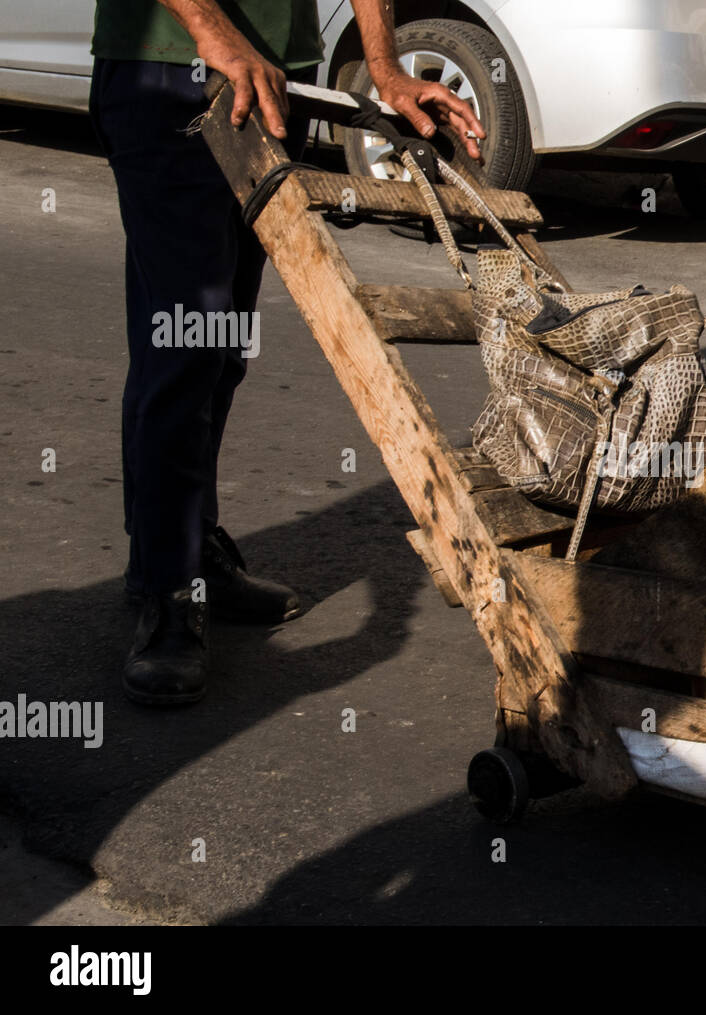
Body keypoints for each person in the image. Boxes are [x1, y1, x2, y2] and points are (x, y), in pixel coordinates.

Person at [90, 0, 486, 705]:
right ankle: (168, 588)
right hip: (171, 67)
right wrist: (218, 35)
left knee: (222, 343)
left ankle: (181, 545)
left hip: (277, 78)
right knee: (186, 338)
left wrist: (384, 68)